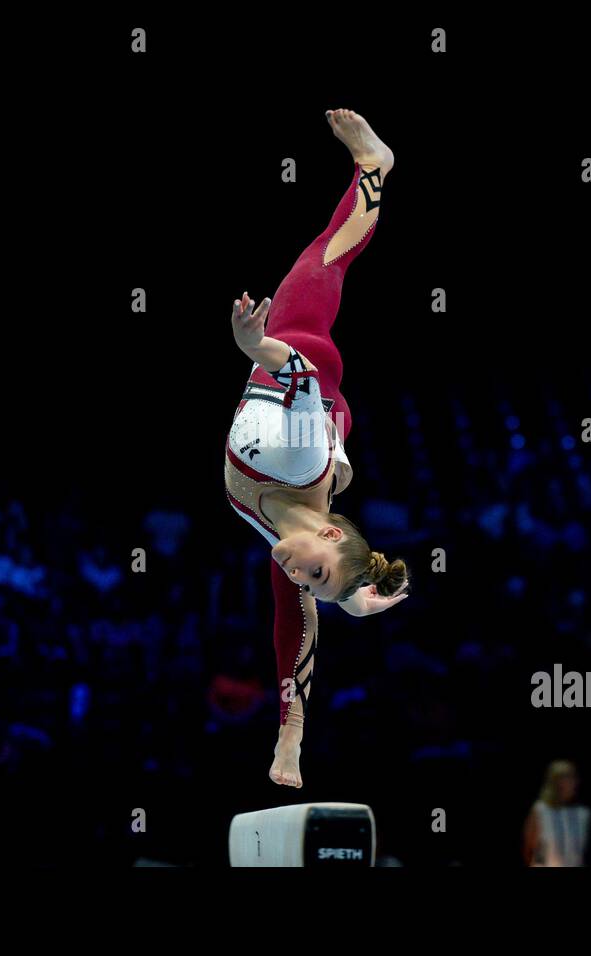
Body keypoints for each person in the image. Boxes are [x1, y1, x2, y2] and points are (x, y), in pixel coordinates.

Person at [224, 108, 409, 789]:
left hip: (322, 442)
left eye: (310, 584)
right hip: (306, 367)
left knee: (312, 613)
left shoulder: (295, 558)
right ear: (331, 533)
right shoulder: (301, 455)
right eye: (318, 572)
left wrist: (289, 748)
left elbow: (294, 646)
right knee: (329, 251)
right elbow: (296, 374)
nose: (298, 577)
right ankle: (376, 165)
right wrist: (254, 347)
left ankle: (355, 592)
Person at [523, 759, 591, 866]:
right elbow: (528, 847)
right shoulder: (541, 810)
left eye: (573, 777)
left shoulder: (583, 814)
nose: (572, 782)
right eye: (566, 778)